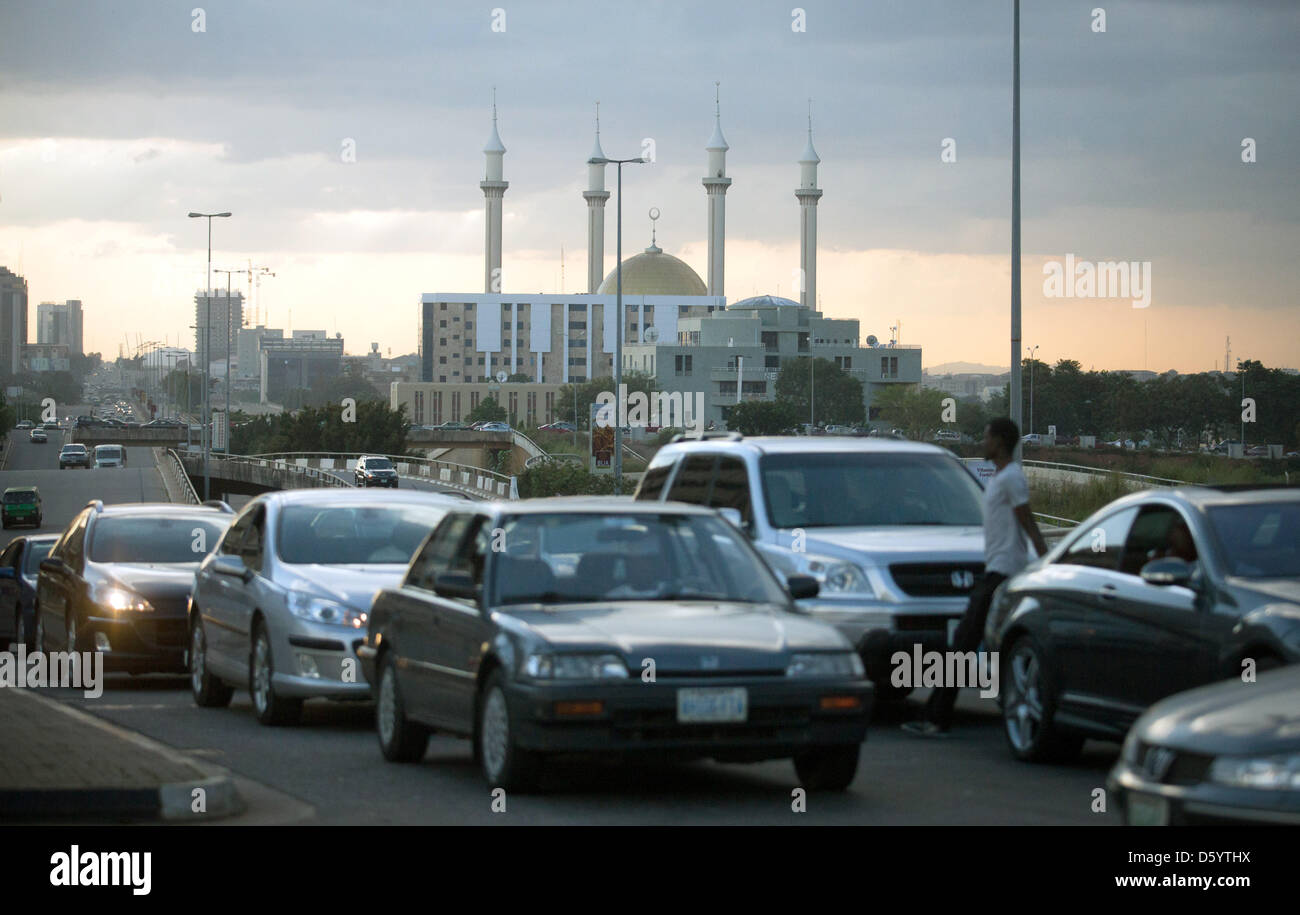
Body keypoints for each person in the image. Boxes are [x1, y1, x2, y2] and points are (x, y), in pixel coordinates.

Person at [902, 416, 1048, 737]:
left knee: (964, 644)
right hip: (994, 568)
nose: (983, 443)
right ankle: (938, 715)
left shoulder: (1012, 478)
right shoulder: (999, 478)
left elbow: (1028, 522)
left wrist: (1047, 562)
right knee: (966, 645)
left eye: (986, 438)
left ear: (999, 442)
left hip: (1004, 571)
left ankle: (937, 718)